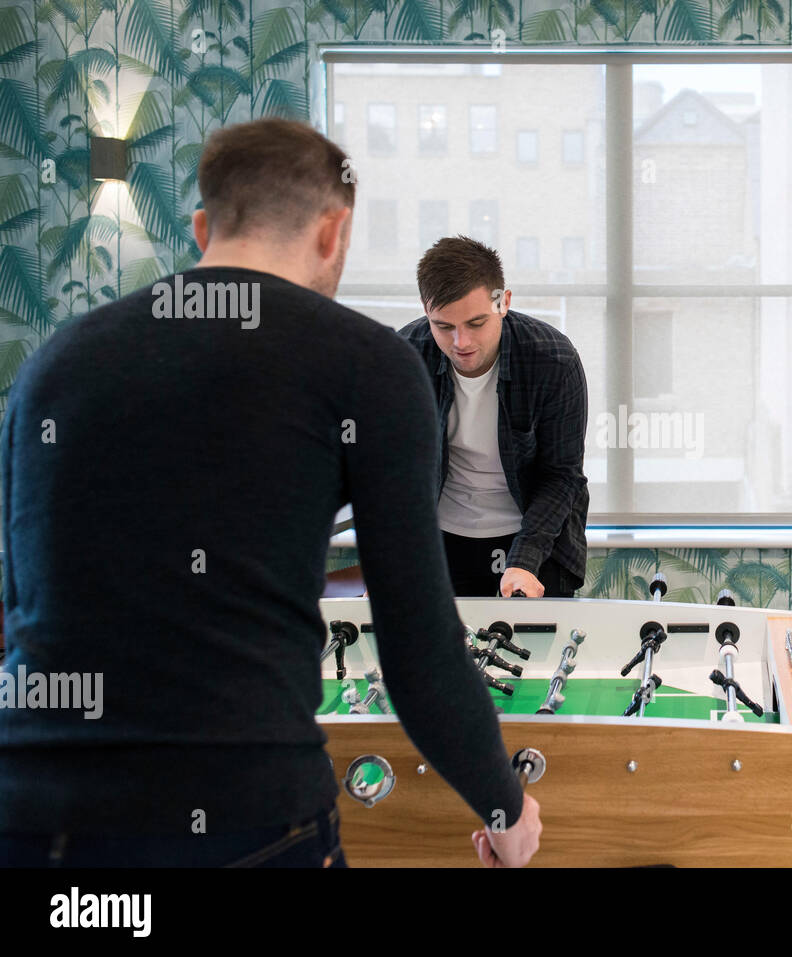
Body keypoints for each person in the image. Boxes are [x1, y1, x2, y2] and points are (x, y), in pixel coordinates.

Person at [0, 118, 540, 868]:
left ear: (200, 227)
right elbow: (419, 654)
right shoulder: (369, 365)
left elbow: (21, 605)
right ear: (333, 230)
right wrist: (504, 808)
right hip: (244, 815)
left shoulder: (54, 364)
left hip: (33, 814)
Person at [397, 237, 589, 599]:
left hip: (537, 534)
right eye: (443, 326)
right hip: (441, 536)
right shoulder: (404, 358)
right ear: (425, 311)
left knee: (535, 649)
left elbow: (561, 476)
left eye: (475, 322)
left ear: (504, 302)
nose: (460, 342)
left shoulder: (554, 361)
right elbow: (392, 477)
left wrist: (525, 559)